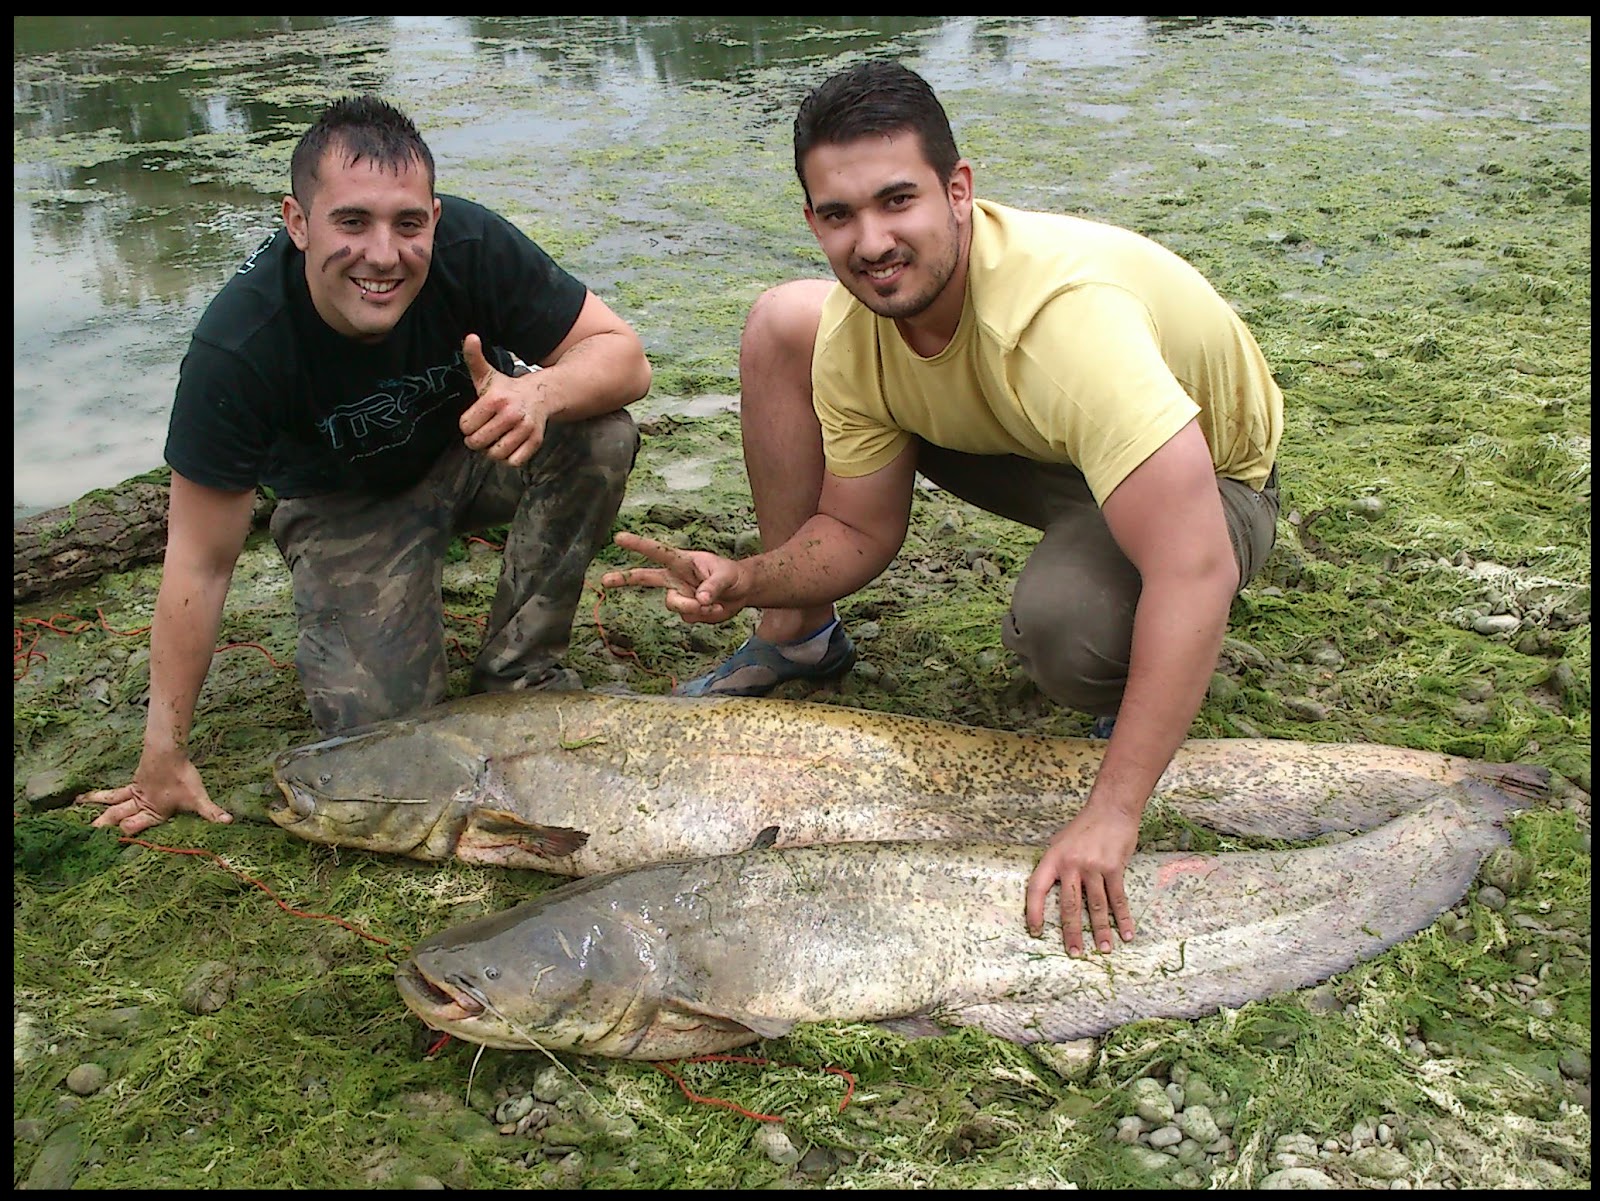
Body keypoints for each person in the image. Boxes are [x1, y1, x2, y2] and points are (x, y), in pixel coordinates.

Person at [601, 60, 1282, 959]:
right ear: (811, 221)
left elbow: (1194, 566)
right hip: (1037, 439)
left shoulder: (1064, 323)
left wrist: (1113, 813)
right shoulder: (859, 330)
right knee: (786, 322)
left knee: (1066, 629)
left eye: (897, 201)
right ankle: (798, 636)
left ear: (959, 191)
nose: (872, 241)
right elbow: (857, 530)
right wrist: (747, 577)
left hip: (1212, 476)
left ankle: (1135, 696)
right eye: (839, 215)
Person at [80, 94, 651, 837]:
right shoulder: (238, 346)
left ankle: (520, 668)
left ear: (435, 220)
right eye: (351, 221)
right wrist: (163, 755)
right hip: (344, 504)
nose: (384, 254)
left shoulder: (472, 247)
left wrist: (539, 391)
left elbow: (624, 357)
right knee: (386, 741)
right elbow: (198, 563)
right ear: (297, 222)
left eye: (408, 224)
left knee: (601, 432)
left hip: (473, 447)